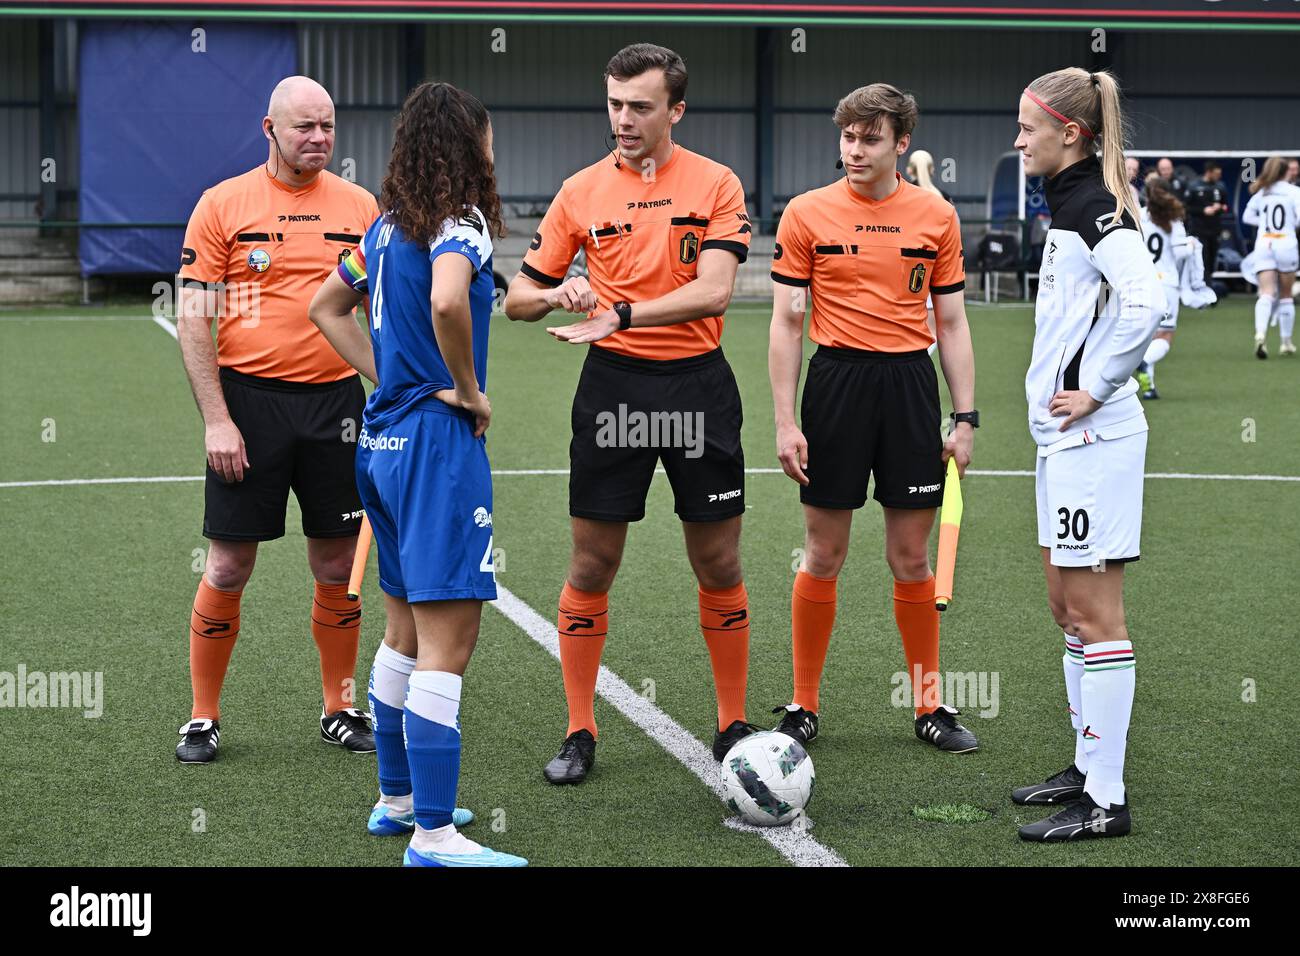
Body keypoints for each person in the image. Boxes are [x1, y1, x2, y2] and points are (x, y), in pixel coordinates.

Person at [504, 44, 756, 784]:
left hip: (698, 390)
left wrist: (620, 310)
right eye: (614, 104)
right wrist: (558, 293)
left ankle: (732, 721)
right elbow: (517, 296)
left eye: (640, 106)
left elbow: (714, 291)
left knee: (718, 561)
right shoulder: (579, 191)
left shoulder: (716, 183)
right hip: (613, 389)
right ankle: (580, 729)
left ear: (675, 109)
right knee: (593, 561)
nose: (623, 119)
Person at [308, 81, 525, 866]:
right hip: (436, 447)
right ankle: (434, 834)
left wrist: (390, 378)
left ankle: (396, 802)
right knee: (449, 640)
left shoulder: (383, 223)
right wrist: (467, 390)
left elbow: (324, 308)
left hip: (382, 442)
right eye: (489, 137)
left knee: (401, 629)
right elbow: (446, 303)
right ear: (471, 145)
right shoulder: (460, 222)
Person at [174, 76, 380, 763]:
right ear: (270, 129)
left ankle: (339, 706)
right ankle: (203, 716)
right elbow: (194, 317)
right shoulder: (223, 204)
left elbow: (380, 311)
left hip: (337, 407)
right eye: (303, 128)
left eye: (327, 126)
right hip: (250, 407)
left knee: (336, 563)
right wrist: (217, 420)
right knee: (229, 565)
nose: (318, 139)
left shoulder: (360, 206)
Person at [768, 83, 979, 754]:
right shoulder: (805, 213)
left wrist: (965, 417)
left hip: (909, 386)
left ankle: (928, 705)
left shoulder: (936, 216)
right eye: (848, 138)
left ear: (901, 144)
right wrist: (784, 419)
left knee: (910, 557)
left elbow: (949, 321)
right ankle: (804, 704)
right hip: (835, 386)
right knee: (824, 551)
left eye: (869, 139)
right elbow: (785, 323)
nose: (854, 151)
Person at [1011, 67, 1164, 842]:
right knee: (1065, 610)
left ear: (1068, 132)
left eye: (1027, 128)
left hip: (1095, 438)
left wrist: (1097, 387)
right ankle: (1085, 764)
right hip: (1062, 442)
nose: (1018, 139)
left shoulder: (1096, 206)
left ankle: (1106, 800)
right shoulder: (1068, 201)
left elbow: (1147, 301)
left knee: (1097, 616)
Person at [1135, 176, 1216, 399]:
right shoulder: (1174, 221)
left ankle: (1149, 387)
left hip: (1142, 282)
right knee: (1165, 336)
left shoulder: (1138, 216)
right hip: (1166, 284)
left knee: (1147, 336)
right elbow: (1181, 253)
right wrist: (1191, 244)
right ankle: (1144, 362)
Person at [1240, 155, 1300, 358]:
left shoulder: (1262, 192)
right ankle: (1285, 342)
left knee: (1265, 292)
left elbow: (1247, 217)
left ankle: (1260, 334)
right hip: (1286, 243)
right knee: (1285, 295)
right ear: (1286, 172)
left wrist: (1265, 223)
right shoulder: (1294, 192)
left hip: (1264, 243)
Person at [1185, 160, 1229, 279]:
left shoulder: (1221, 186)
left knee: (1212, 259)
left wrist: (1219, 207)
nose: (1218, 176)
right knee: (1201, 259)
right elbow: (1186, 208)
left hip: (1215, 230)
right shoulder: (1194, 186)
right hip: (1199, 230)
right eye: (1216, 173)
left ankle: (1209, 285)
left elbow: (1226, 207)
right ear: (1209, 172)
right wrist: (1203, 210)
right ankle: (1202, 285)